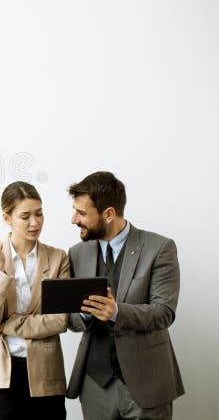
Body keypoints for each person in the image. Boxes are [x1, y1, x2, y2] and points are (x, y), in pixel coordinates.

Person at [66, 171, 184, 419]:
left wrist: (116, 312)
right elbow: (72, 319)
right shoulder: (77, 253)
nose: (74, 219)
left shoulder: (159, 248)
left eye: (82, 213)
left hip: (146, 384)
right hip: (95, 385)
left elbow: (164, 312)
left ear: (108, 214)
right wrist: (85, 315)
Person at [0, 181, 69, 420]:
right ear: (7, 217)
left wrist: (5, 325)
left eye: (39, 214)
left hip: (45, 374)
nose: (35, 222)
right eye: (25, 216)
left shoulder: (58, 258)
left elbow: (60, 320)